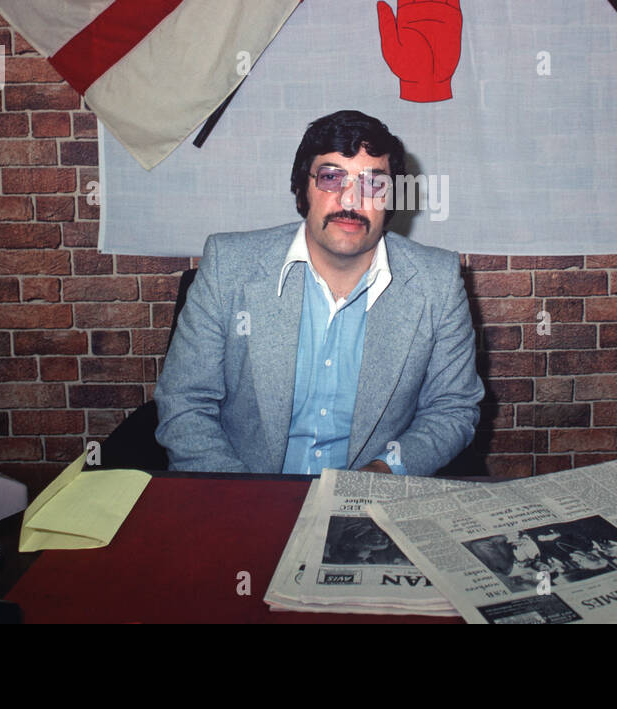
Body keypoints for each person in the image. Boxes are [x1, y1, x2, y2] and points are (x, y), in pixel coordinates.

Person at [154, 110, 483, 476]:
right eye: (330, 177)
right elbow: (184, 403)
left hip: (369, 503)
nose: (349, 200)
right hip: (245, 496)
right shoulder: (228, 265)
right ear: (302, 188)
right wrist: (242, 500)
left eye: (373, 185)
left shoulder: (438, 281)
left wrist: (385, 472)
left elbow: (453, 408)